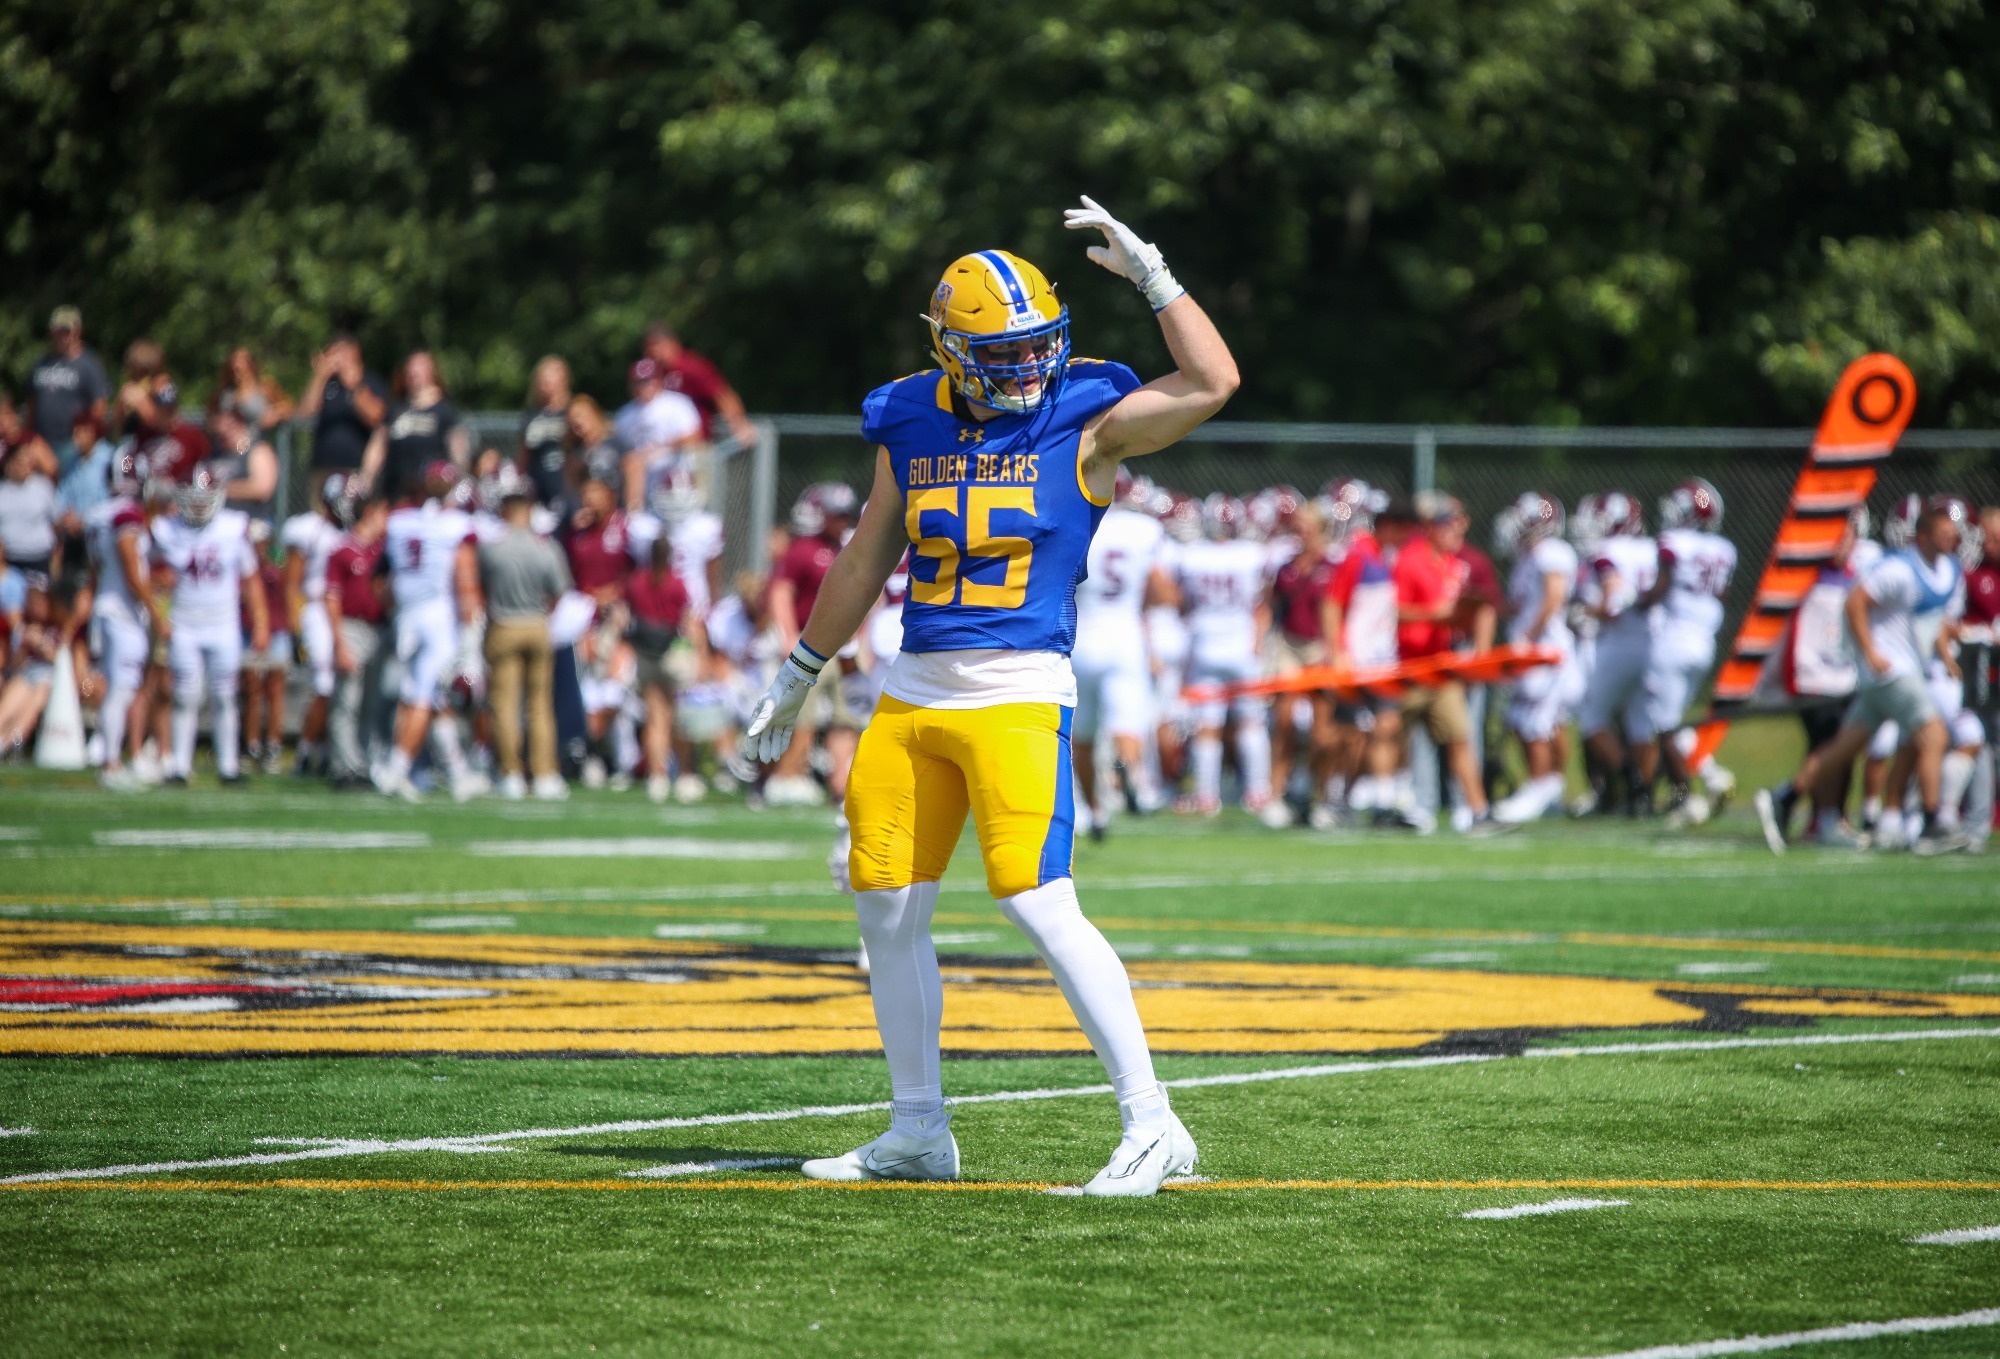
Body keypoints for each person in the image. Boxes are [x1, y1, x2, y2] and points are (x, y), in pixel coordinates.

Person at [744, 197, 1237, 1195]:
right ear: (949, 349)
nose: (1026, 370)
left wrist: (1155, 279)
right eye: (1002, 354)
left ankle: (1153, 1122)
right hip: (912, 691)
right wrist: (799, 672)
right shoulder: (909, 414)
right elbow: (866, 553)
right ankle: (918, 1130)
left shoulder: (1084, 417)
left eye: (1036, 349)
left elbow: (1213, 380)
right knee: (882, 907)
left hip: (1016, 690)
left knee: (1038, 900)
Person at [1805, 497, 1967, 854]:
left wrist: (1946, 654)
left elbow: (1935, 621)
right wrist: (1871, 652)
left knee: (1848, 748)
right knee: (1932, 736)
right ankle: (1931, 823)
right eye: (1944, 533)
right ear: (1923, 536)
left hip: (1910, 670)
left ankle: (1785, 796)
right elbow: (1855, 604)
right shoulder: (1898, 567)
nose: (1951, 539)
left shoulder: (1948, 570)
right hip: (1892, 670)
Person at [374, 463, 488, 802]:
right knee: (422, 697)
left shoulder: (400, 521)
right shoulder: (455, 526)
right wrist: (471, 639)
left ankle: (457, 773)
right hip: (438, 619)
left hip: (407, 617)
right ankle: (396, 769)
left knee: (433, 699)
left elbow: (385, 581)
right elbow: (465, 583)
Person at [151, 465, 267, 784]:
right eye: (193, 498)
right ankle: (178, 766)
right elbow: (144, 568)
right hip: (184, 623)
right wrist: (158, 603)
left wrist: (260, 621)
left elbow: (250, 578)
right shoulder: (167, 529)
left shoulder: (232, 528)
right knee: (185, 695)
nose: (199, 504)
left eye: (205, 498)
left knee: (224, 695)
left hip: (223, 625)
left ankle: (228, 766)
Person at [1071, 470, 1171, 836]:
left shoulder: (1078, 518)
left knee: (1081, 735)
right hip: (1126, 638)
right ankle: (1127, 770)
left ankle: (1094, 810)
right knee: (1128, 725)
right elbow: (1161, 590)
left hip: (1083, 638)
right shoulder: (1145, 530)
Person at [1394, 493, 1497, 831]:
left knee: (1459, 738)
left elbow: (1482, 608)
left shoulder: (1456, 564)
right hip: (1410, 665)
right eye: (1447, 523)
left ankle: (1477, 810)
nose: (1456, 530)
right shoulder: (1410, 561)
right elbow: (1392, 610)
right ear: (1431, 528)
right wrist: (1432, 615)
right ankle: (1409, 806)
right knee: (1402, 742)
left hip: (1443, 666)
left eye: (1457, 522)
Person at [1645, 478, 1738, 826]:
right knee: (1675, 721)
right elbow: (1722, 593)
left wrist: (1636, 604)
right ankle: (1711, 777)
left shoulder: (1674, 543)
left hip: (1673, 641)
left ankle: (1686, 798)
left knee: (1664, 727)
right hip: (1705, 643)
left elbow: (1661, 586)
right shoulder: (1725, 549)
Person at [1174, 493, 1272, 817]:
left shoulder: (1191, 556)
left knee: (1207, 725)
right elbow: (1263, 598)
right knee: (1251, 722)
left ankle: (1206, 796)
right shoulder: (1252, 554)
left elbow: (1183, 601)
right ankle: (1258, 793)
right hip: (1243, 646)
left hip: (1205, 645)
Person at [477, 465, 571, 800]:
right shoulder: (545, 548)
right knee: (540, 705)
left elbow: (480, 588)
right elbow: (560, 593)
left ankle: (511, 772)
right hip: (537, 624)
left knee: (504, 705)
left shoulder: (491, 548)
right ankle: (545, 773)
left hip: (503, 624)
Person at [765, 483, 861, 805]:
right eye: (837, 514)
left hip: (844, 647)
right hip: (812, 644)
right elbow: (780, 593)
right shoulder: (804, 548)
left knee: (845, 718)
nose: (842, 521)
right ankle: (786, 777)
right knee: (803, 716)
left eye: (845, 514)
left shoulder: (847, 548)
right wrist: (790, 638)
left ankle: (840, 784)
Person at [1491, 491, 1578, 824]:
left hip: (1545, 653)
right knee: (1530, 721)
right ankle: (1549, 787)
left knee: (1534, 722)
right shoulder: (1526, 559)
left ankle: (1541, 786)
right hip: (1535, 653)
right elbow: (1519, 604)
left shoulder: (1551, 552)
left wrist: (1527, 637)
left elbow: (1554, 597)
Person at [84, 447, 167, 789]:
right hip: (122, 612)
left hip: (104, 604)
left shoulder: (97, 513)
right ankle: (112, 762)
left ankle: (114, 757)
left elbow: (96, 569)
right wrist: (156, 612)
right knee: (122, 688)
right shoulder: (127, 516)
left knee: (117, 686)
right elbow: (133, 572)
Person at [1577, 491, 1658, 813]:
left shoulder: (1606, 552)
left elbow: (1613, 604)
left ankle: (1632, 781)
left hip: (1619, 644)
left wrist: (1587, 612)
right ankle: (1646, 796)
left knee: (1592, 719)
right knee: (1642, 724)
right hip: (1651, 643)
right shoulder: (1653, 548)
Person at [626, 534, 706, 803]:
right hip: (672, 653)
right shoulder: (677, 584)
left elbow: (629, 615)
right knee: (677, 717)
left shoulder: (637, 582)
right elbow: (687, 620)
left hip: (645, 654)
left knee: (654, 718)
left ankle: (657, 776)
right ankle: (684, 775)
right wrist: (700, 655)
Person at [281, 475, 351, 775]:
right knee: (325, 685)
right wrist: (295, 630)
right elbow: (291, 584)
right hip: (316, 610)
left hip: (345, 613)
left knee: (341, 687)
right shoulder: (309, 529)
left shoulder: (358, 531)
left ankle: (324, 752)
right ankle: (306, 753)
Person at [324, 494, 390, 788]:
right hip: (351, 627)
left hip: (380, 628)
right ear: (371, 512)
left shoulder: (383, 550)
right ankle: (344, 766)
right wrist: (339, 642)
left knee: (372, 703)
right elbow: (332, 597)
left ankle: (363, 764)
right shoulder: (343, 551)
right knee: (346, 702)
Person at [364, 351, 467, 498]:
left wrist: (459, 480)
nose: (413, 372)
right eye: (411, 368)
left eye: (419, 367)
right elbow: (379, 444)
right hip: (396, 491)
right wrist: (367, 478)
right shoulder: (395, 408)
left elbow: (458, 447)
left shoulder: (444, 409)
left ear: (431, 371)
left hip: (431, 492)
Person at [641, 323, 756, 447]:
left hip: (695, 443)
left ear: (671, 343)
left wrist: (738, 424)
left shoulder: (692, 367)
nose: (652, 352)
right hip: (665, 445)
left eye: (656, 345)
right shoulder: (655, 372)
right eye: (649, 348)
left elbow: (722, 395)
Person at [25, 306, 110, 469]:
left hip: (71, 443)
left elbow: (99, 407)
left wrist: (86, 439)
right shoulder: (41, 363)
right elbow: (31, 403)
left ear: (77, 331)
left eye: (67, 331)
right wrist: (29, 436)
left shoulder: (89, 364)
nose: (62, 337)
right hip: (42, 442)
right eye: (58, 331)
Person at [238, 520, 292, 773]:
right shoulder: (244, 568)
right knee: (253, 689)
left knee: (276, 689)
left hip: (277, 630)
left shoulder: (276, 566)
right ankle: (252, 744)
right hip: (249, 630)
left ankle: (273, 744)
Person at [614, 359, 701, 511]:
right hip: (641, 485)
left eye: (647, 381)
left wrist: (660, 449)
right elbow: (620, 449)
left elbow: (694, 437)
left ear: (659, 381)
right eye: (637, 382)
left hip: (674, 479)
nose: (642, 387)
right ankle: (634, 515)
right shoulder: (624, 415)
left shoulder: (677, 404)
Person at [298, 334, 387, 475]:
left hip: (357, 468)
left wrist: (353, 386)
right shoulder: (328, 383)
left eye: (341, 352)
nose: (337, 359)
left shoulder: (370, 381)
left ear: (355, 352)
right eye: (332, 354)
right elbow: (305, 413)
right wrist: (320, 376)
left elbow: (377, 416)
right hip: (323, 467)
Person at [208, 405, 280, 523]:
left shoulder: (257, 450)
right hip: (215, 521)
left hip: (250, 521)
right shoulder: (214, 454)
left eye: (230, 423)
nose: (223, 428)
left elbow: (262, 489)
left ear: (240, 422)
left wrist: (220, 489)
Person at [519, 357, 573, 508]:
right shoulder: (532, 416)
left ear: (563, 380)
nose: (546, 384)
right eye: (542, 379)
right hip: (537, 486)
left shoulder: (572, 412)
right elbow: (523, 455)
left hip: (564, 483)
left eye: (550, 379)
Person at [0, 440, 58, 576]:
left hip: (39, 559)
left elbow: (55, 523)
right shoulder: (2, 492)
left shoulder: (43, 487)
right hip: (9, 561)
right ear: (9, 464)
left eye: (29, 462)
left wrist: (56, 560)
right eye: (21, 461)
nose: (26, 466)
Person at [207, 349, 294, 434]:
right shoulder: (225, 392)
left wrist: (275, 415)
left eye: (241, 370)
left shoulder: (264, 387)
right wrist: (218, 424)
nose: (238, 375)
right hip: (228, 441)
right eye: (234, 371)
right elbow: (210, 415)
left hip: (254, 439)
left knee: (245, 446)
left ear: (251, 367)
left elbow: (288, 407)